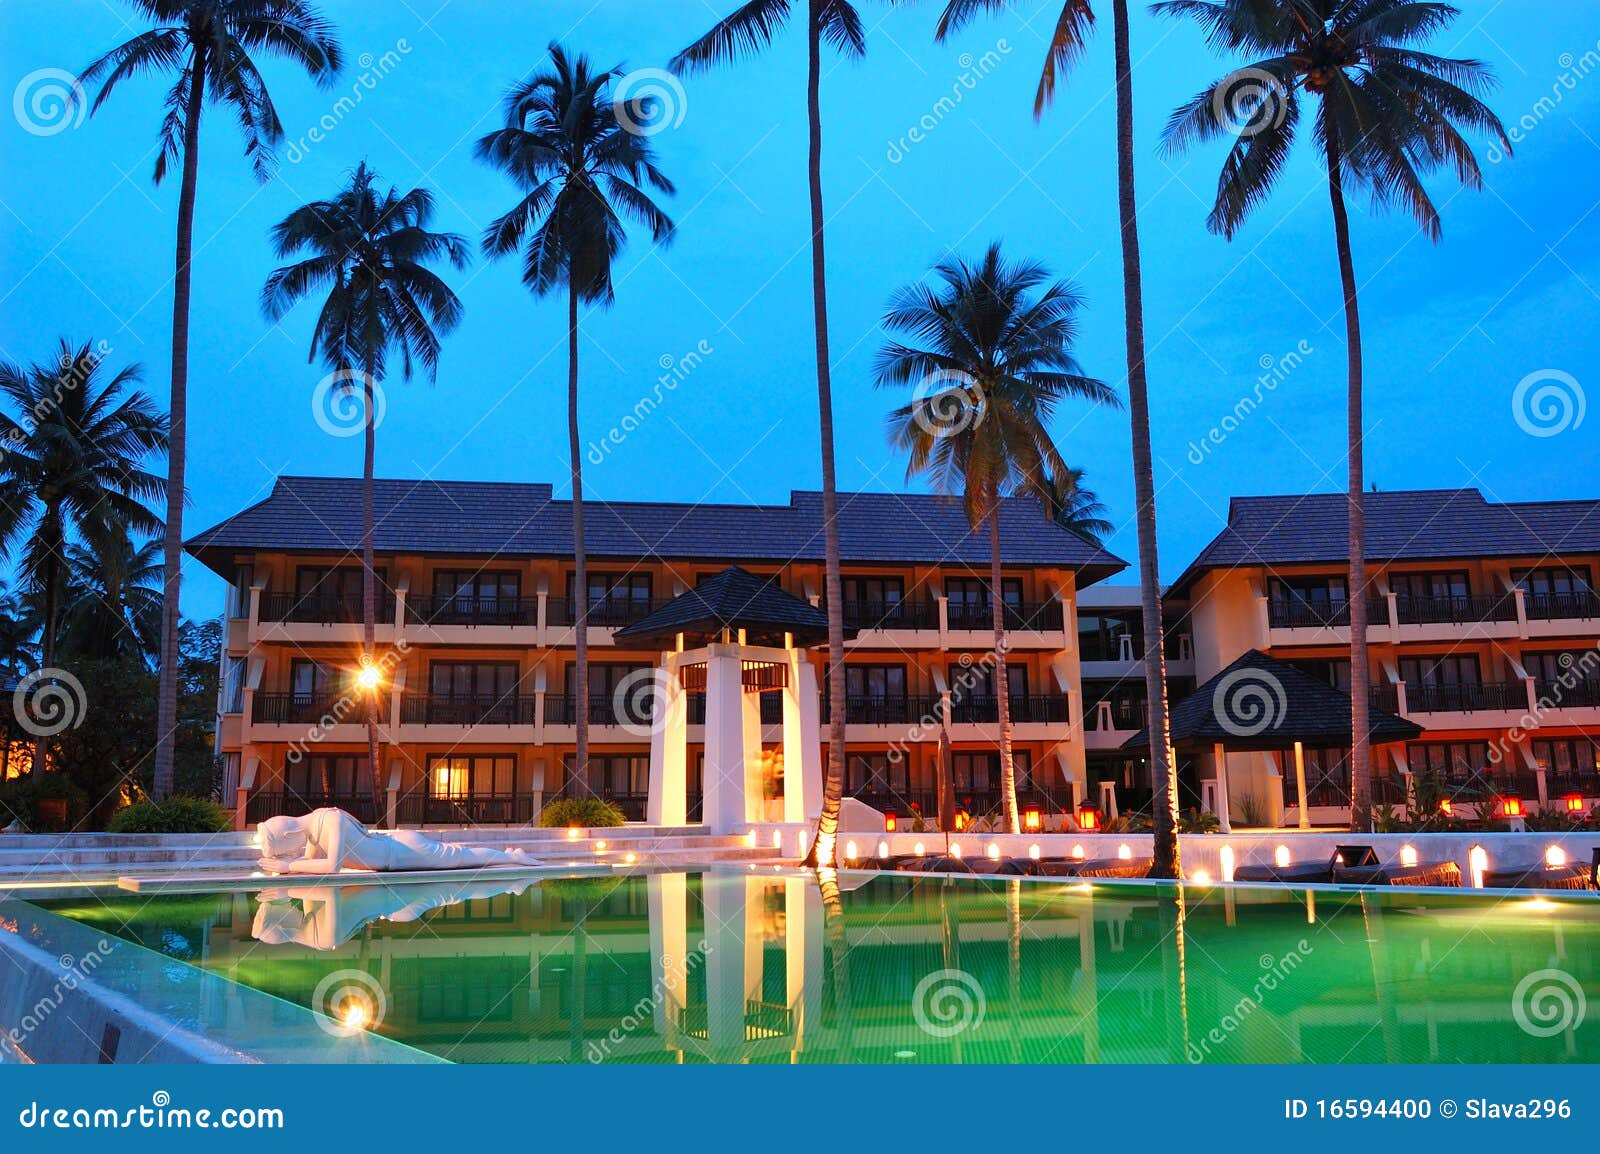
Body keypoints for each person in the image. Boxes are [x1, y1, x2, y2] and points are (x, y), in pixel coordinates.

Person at [256, 808, 539, 875]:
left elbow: (330, 867)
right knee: (459, 857)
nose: (290, 852)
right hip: (392, 849)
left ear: (289, 835)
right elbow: (309, 862)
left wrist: (289, 867)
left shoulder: (330, 821)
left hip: (401, 852)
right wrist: (287, 863)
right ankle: (510, 855)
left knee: (460, 857)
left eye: (285, 847)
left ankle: (512, 856)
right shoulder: (314, 826)